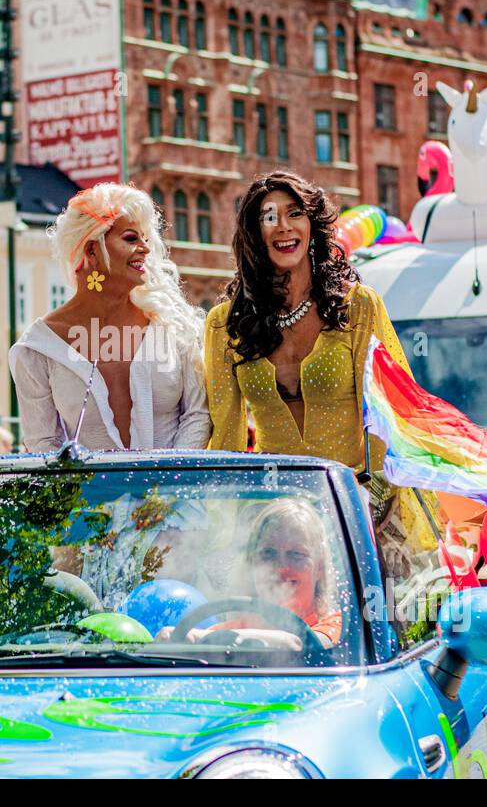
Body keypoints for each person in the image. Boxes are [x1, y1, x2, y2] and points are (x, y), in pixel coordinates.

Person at [205, 171, 409, 469]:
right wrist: (224, 506)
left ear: (312, 225)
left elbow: (388, 411)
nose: (284, 227)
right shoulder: (225, 324)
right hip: (271, 504)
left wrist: (374, 497)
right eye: (270, 218)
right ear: (254, 233)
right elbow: (226, 434)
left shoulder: (358, 305)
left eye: (295, 213)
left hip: (352, 501)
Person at [10, 184, 210, 452]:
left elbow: (197, 415)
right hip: (88, 494)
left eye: (145, 239)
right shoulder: (38, 349)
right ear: (92, 251)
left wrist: (163, 483)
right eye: (130, 239)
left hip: (173, 490)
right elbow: (44, 444)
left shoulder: (173, 327)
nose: (145, 249)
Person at [169, 500, 345, 651]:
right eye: (268, 553)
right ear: (252, 562)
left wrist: (201, 639)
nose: (281, 568)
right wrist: (170, 641)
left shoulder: (338, 625)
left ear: (320, 567)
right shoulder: (238, 627)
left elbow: (305, 645)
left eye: (296, 554)